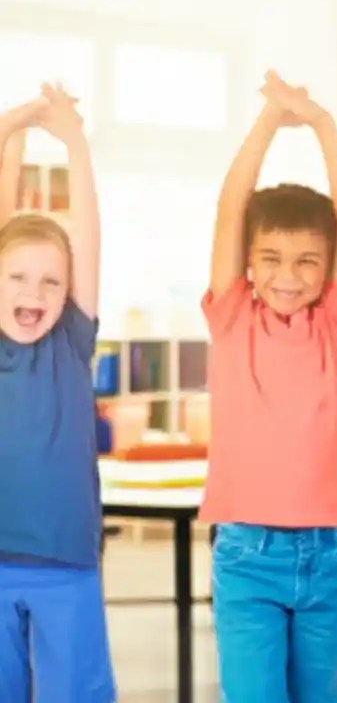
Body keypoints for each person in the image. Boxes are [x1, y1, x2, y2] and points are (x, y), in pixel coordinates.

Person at [202, 72, 337, 702]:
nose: (288, 276)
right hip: (248, 555)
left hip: (332, 558)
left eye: (307, 261)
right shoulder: (232, 316)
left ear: (327, 269)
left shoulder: (336, 324)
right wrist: (271, 118)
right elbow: (231, 208)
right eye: (270, 258)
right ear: (249, 262)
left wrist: (323, 123)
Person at [0, 84, 114, 703]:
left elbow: (87, 235)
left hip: (66, 564)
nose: (34, 292)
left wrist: (73, 138)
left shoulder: (71, 337)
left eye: (51, 281)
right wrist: (12, 124)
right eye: (17, 276)